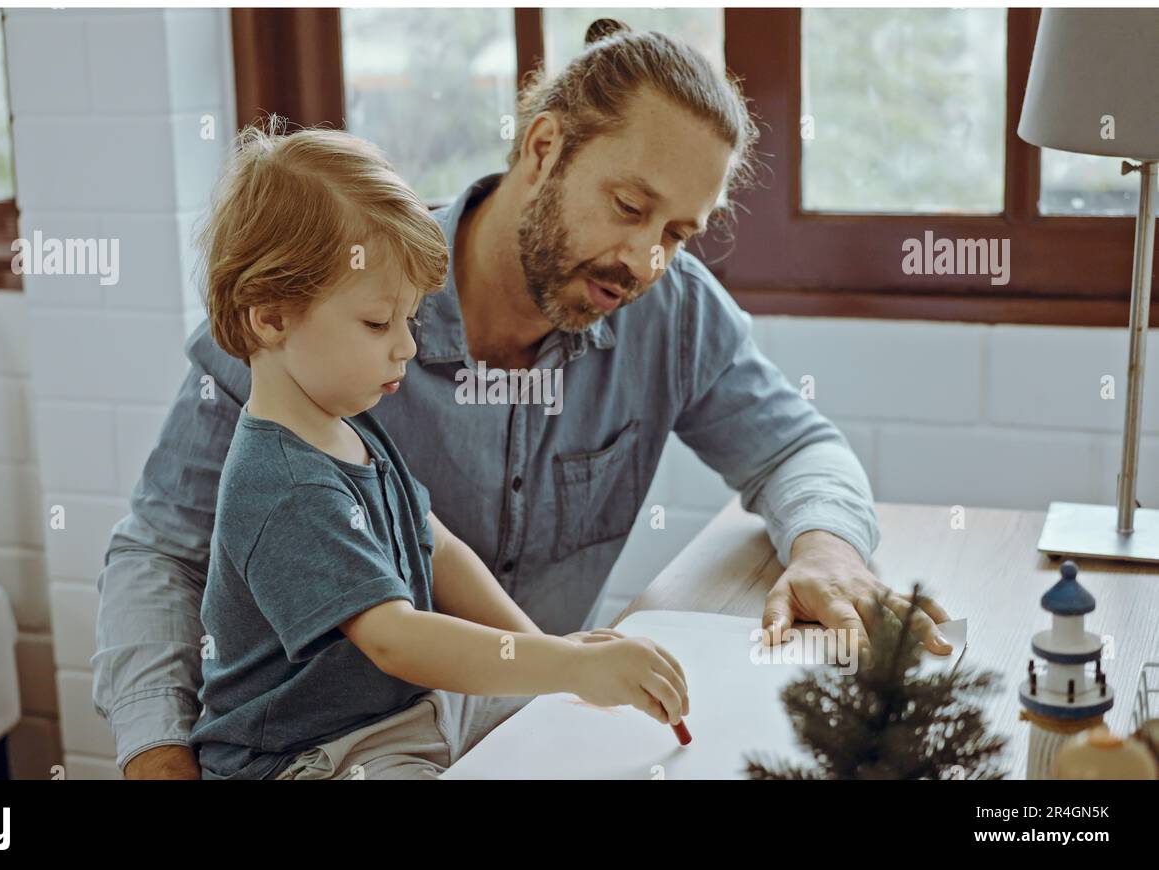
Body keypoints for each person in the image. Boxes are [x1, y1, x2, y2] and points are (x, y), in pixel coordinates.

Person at [94, 19, 951, 780]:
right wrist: (160, 757)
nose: (647, 261)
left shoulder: (674, 310)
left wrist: (828, 547)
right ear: (543, 148)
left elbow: (794, 446)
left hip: (515, 716)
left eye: (679, 234)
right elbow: (161, 550)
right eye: (629, 207)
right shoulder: (321, 297)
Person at [187, 123, 687, 779]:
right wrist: (572, 666)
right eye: (376, 322)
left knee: (559, 732)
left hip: (398, 715)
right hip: (308, 759)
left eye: (411, 320)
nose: (407, 348)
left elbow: (438, 548)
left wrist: (547, 653)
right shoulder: (286, 486)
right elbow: (395, 638)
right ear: (271, 317)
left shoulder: (348, 426)